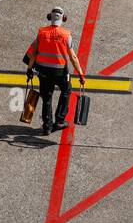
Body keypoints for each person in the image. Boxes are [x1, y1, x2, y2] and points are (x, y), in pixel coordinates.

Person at [23, 7, 86, 136]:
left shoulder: (41, 33)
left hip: (43, 72)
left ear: (49, 17)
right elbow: (73, 57)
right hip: (60, 72)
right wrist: (80, 73)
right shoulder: (66, 35)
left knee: (46, 97)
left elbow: (33, 54)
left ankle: (47, 126)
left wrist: (29, 70)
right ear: (63, 18)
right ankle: (60, 120)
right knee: (66, 91)